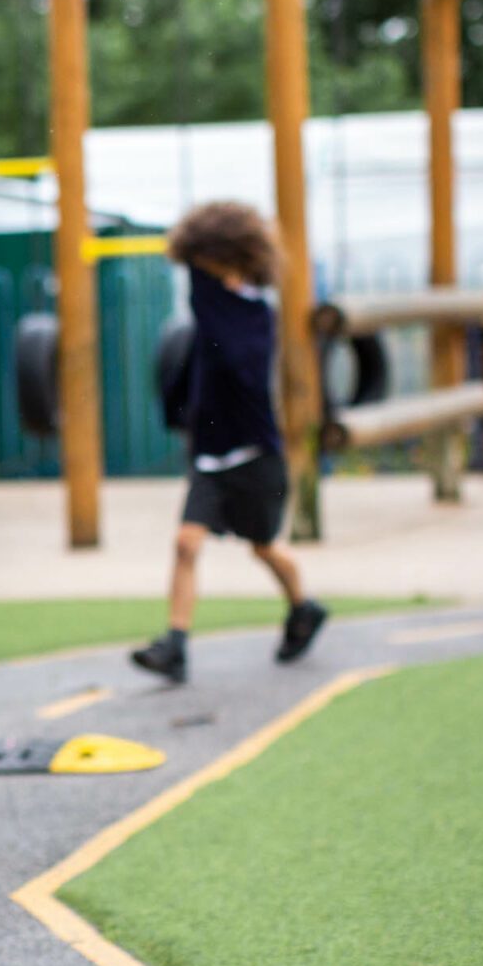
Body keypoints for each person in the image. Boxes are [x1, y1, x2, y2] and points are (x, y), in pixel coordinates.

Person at [133, 200, 326, 684]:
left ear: (243, 264)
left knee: (263, 548)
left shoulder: (256, 317)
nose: (211, 275)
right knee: (186, 543)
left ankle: (303, 608)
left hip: (257, 456)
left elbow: (230, 338)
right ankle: (174, 645)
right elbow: (193, 265)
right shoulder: (207, 304)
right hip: (210, 459)